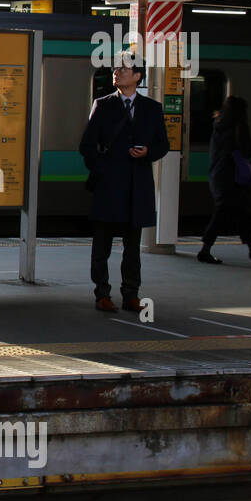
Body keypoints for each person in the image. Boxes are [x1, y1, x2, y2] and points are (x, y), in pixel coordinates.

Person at [78, 56, 170, 312]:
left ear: (138, 76)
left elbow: (163, 144)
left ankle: (131, 294)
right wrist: (101, 169)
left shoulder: (152, 108)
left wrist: (148, 152)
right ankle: (102, 294)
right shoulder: (103, 105)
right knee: (102, 246)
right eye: (115, 69)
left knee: (133, 247)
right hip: (108, 185)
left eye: (123, 69)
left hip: (137, 187)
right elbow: (86, 145)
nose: (116, 73)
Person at [198, 96, 251, 265]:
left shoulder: (219, 125)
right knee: (224, 212)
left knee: (241, 212)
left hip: (219, 174)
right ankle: (205, 249)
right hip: (233, 177)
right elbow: (248, 148)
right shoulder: (238, 126)